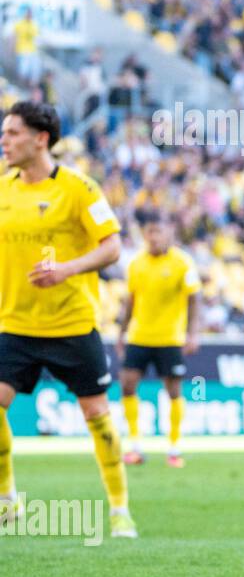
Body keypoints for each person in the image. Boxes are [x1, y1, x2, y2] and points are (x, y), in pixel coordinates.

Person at [0, 102, 136, 537]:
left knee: (96, 414)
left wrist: (66, 269)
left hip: (72, 324)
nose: (4, 141)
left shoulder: (79, 187)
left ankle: (119, 510)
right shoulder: (3, 189)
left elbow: (112, 247)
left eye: (13, 133)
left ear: (41, 138)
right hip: (15, 323)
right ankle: (7, 502)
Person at [119, 212, 202, 468]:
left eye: (158, 231)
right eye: (149, 232)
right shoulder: (136, 263)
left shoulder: (182, 262)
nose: (153, 237)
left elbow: (193, 299)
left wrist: (192, 333)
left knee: (173, 391)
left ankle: (174, 448)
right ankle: (134, 445)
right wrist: (122, 332)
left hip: (169, 338)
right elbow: (130, 301)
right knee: (127, 385)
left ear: (169, 233)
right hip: (139, 336)